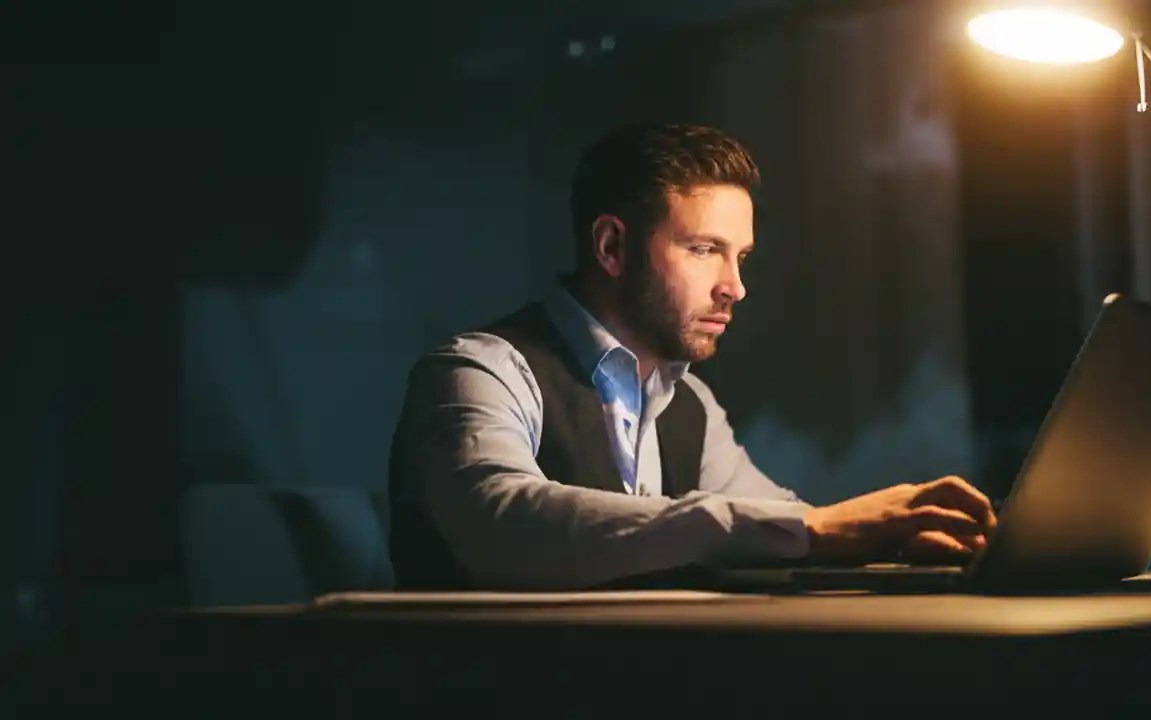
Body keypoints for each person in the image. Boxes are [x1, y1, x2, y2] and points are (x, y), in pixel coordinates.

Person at [388, 123, 996, 590]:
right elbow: (500, 526)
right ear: (610, 246)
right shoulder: (479, 370)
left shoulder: (691, 407)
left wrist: (891, 543)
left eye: (742, 257)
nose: (735, 286)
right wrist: (810, 531)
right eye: (705, 249)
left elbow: (784, 525)